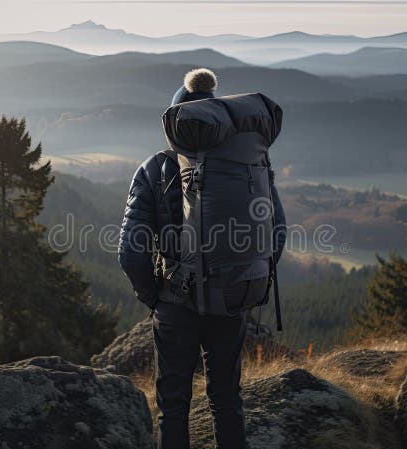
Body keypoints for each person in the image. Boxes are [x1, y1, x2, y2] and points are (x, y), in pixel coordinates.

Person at [118, 68, 286, 449]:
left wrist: (155, 297)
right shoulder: (250, 162)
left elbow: (131, 249)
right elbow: (277, 230)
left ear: (177, 121)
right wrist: (247, 276)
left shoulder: (155, 167)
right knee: (227, 399)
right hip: (230, 300)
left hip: (176, 304)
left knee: (174, 407)